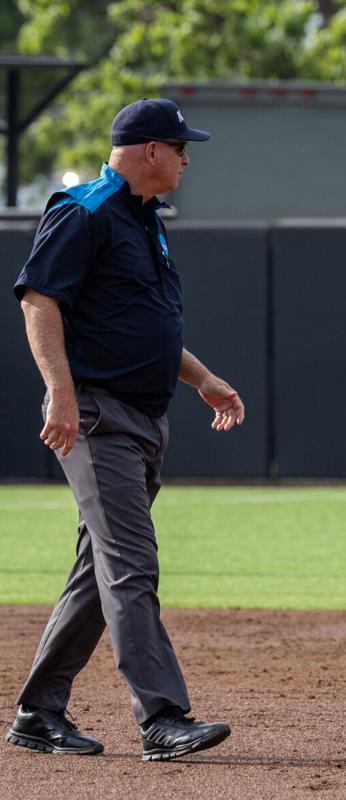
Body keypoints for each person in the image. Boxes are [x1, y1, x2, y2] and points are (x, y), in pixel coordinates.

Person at [7, 98, 243, 761]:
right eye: (181, 148)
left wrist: (202, 378)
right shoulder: (84, 210)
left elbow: (142, 323)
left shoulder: (145, 220)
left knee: (99, 571)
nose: (187, 159)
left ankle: (38, 712)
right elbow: (39, 300)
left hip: (142, 420)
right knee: (133, 564)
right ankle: (162, 717)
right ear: (151, 151)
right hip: (97, 417)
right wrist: (61, 394)